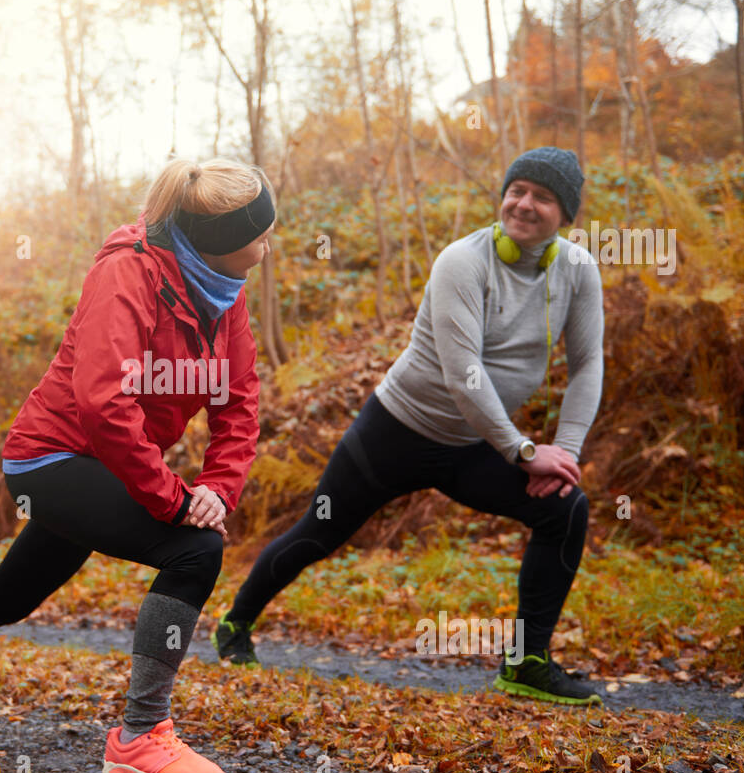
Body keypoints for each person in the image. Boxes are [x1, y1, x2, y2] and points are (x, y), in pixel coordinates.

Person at [0, 157, 273, 773]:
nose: (267, 249)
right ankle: (139, 739)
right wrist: (173, 500)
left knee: (9, 598)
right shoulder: (128, 273)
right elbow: (104, 403)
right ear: (220, 242)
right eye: (259, 236)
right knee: (195, 549)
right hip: (50, 460)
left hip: (107, 466)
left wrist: (218, 487)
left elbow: (238, 399)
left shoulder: (221, 291)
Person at [211, 146, 606, 706]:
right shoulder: (462, 262)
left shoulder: (577, 271)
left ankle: (527, 664)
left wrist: (562, 452)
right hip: (393, 433)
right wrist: (521, 452)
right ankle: (236, 623)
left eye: (543, 197)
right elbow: (463, 372)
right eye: (517, 190)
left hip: (473, 446)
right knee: (318, 533)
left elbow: (589, 362)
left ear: (566, 214)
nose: (524, 203)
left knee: (565, 506)